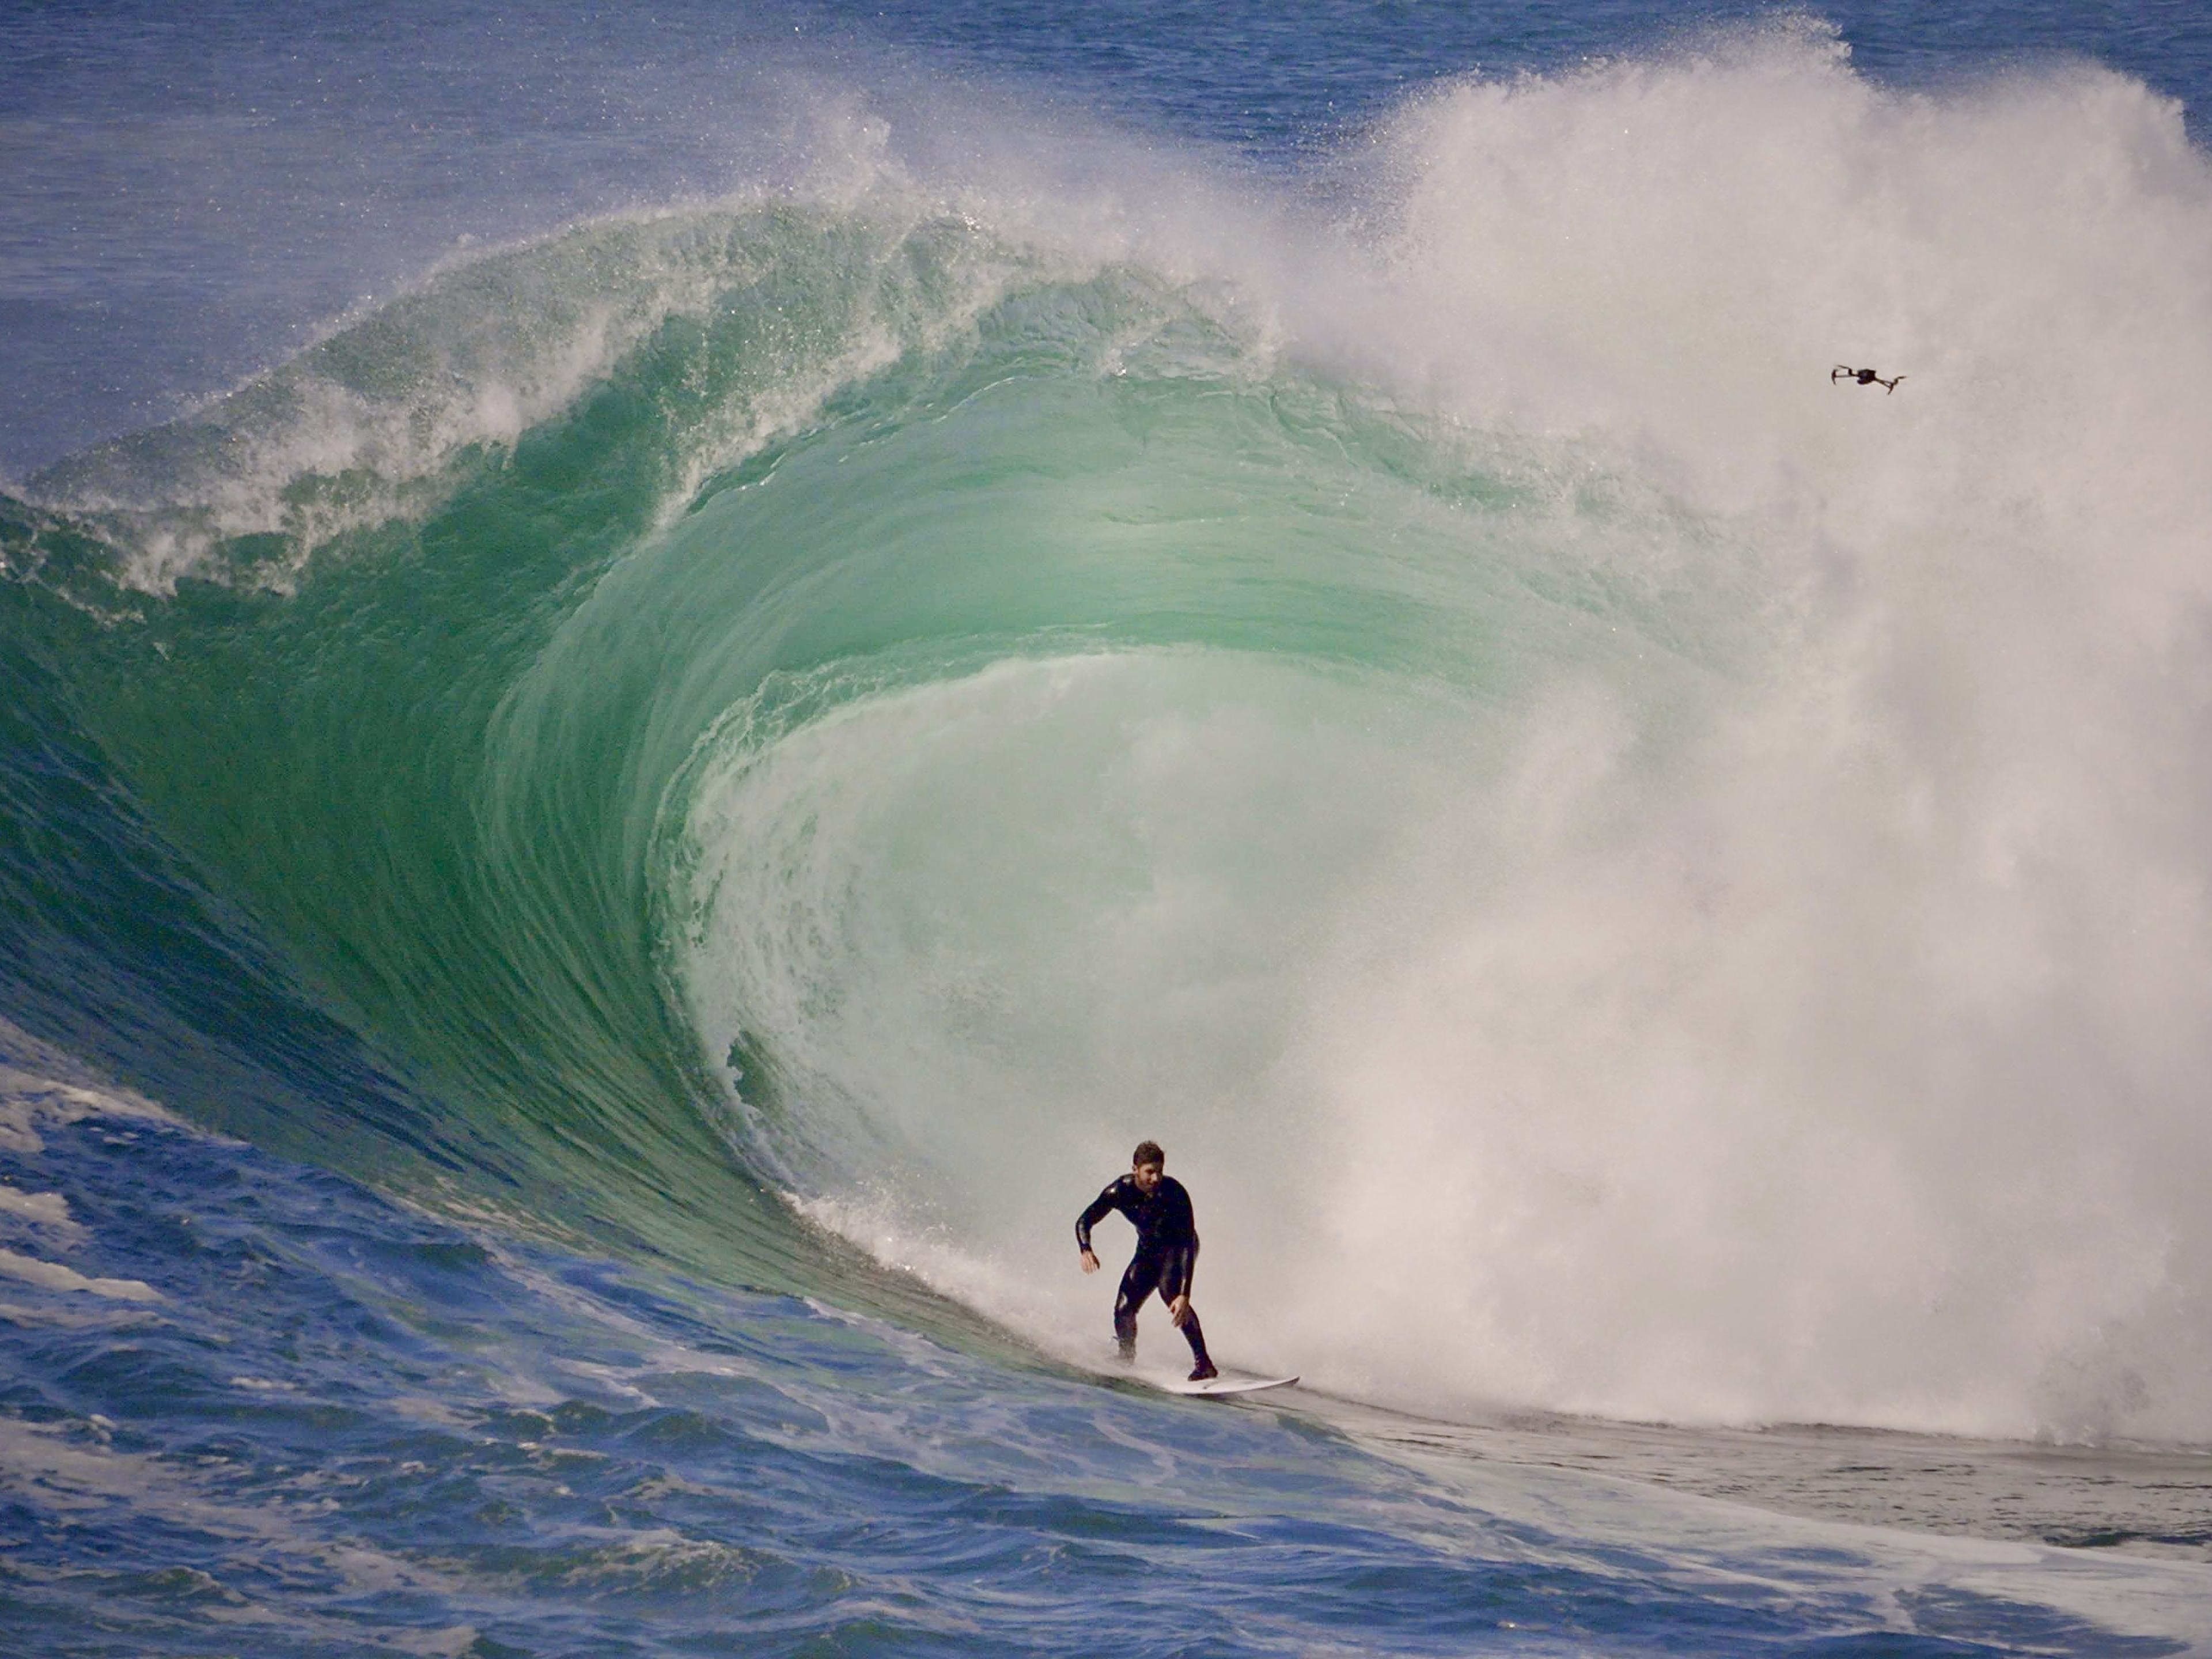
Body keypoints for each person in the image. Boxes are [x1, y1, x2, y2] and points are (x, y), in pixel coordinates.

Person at [1076, 1140, 1217, 1381]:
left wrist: (1185, 1294)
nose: (1155, 1178)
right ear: (1135, 1169)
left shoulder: (1175, 1194)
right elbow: (1084, 1221)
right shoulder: (1119, 1191)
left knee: (1170, 1294)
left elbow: (1185, 1244)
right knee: (1124, 1309)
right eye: (1149, 1172)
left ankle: (1204, 1364)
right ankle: (1126, 1358)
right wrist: (1086, 1249)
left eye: (1159, 1171)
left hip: (1179, 1248)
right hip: (1148, 1251)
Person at [1831, 364, 1904, 393]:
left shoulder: (1861, 375)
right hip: (1868, 375)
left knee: (1875, 379)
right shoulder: (1861, 375)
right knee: (1876, 379)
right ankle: (1837, 374)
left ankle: (1837, 373)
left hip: (1868, 375)